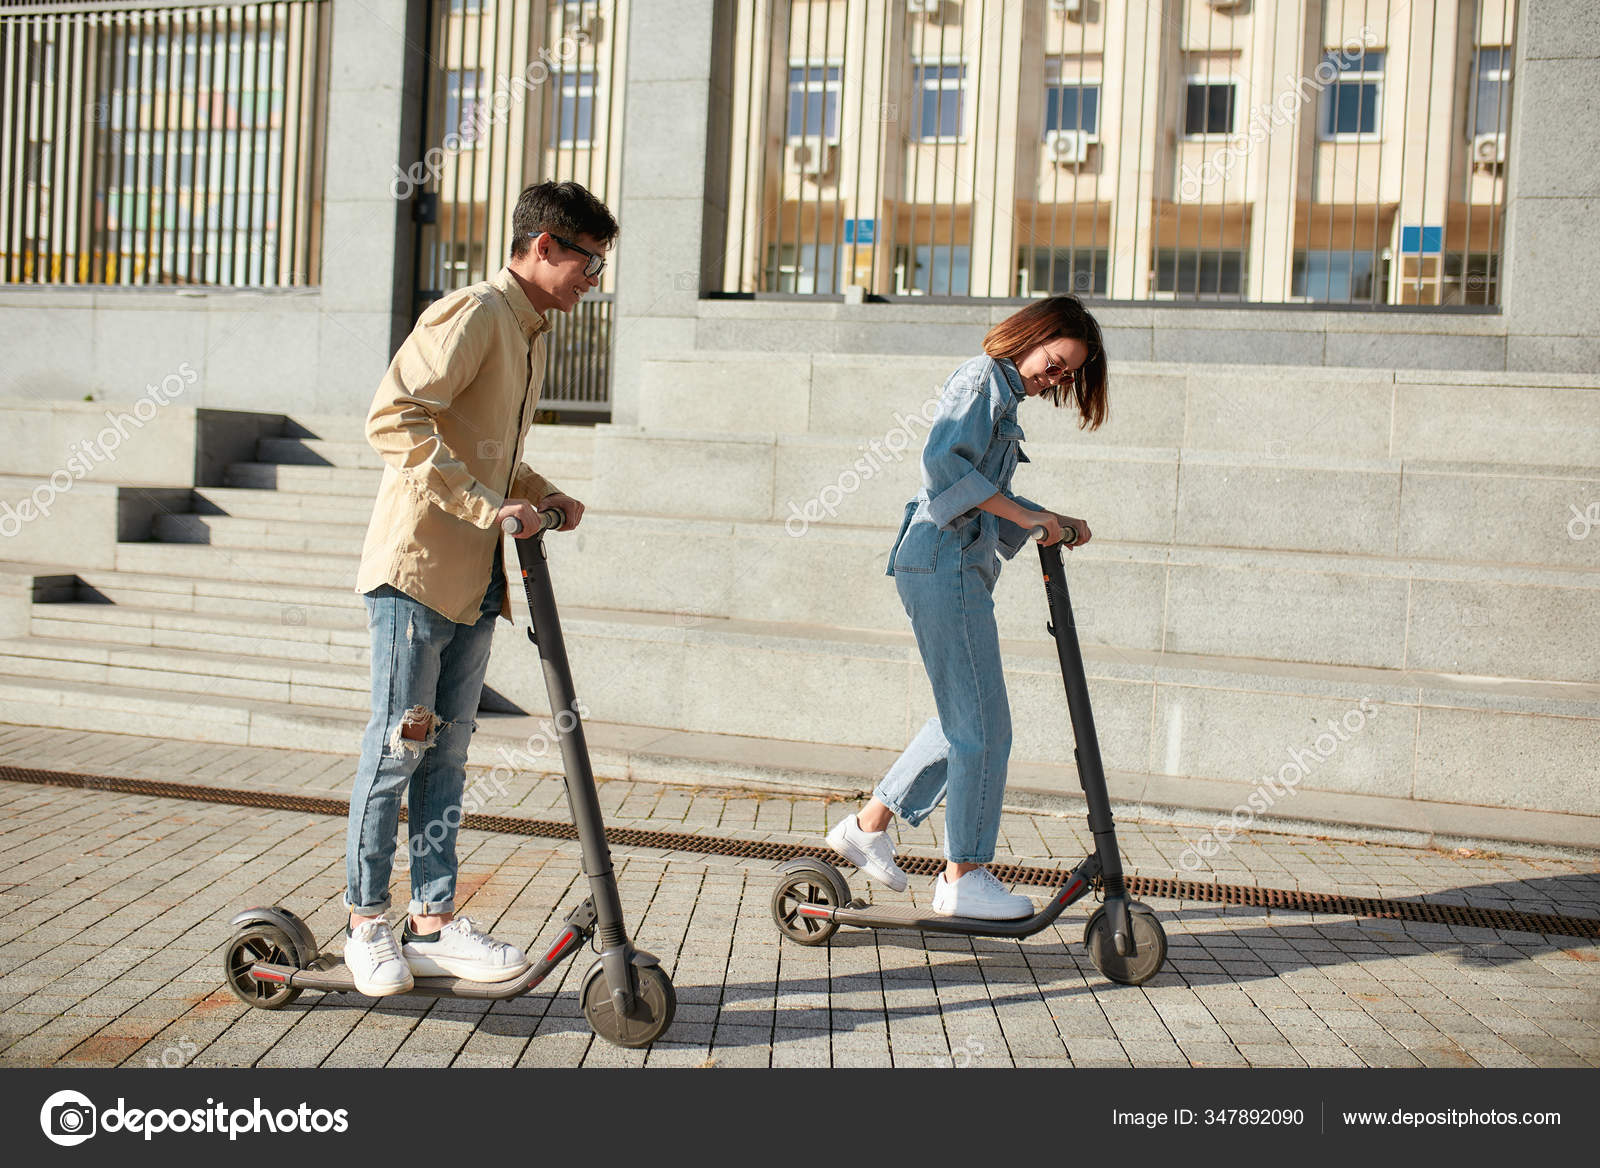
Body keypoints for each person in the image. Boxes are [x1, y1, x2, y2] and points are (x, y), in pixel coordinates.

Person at [341, 181, 617, 996]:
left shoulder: (528, 333)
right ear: (543, 248)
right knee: (398, 750)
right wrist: (486, 502)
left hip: (473, 583)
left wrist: (543, 490)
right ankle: (366, 923)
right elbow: (394, 417)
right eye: (587, 262)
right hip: (418, 574)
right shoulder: (473, 315)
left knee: (446, 758)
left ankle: (430, 923)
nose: (592, 279)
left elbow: (487, 452)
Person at [826, 296, 1109, 920]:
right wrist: (1029, 517)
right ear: (1032, 336)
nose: (1055, 378)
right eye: (1055, 362)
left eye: (1066, 375)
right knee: (984, 728)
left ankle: (868, 827)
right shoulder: (981, 379)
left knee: (964, 718)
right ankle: (964, 876)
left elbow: (991, 494)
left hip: (954, 564)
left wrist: (1047, 518)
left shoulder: (1003, 395)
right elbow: (943, 468)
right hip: (943, 561)